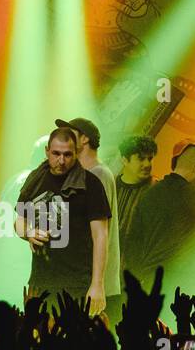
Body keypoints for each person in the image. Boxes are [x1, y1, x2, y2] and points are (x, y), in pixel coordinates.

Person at [15, 125, 111, 316]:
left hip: (76, 284)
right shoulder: (36, 179)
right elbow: (19, 220)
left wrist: (97, 285)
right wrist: (28, 233)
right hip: (40, 281)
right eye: (56, 154)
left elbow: (101, 236)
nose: (61, 161)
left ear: (76, 153)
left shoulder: (90, 184)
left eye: (67, 155)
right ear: (47, 151)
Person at [123, 139, 195, 297]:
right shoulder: (192, 196)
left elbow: (133, 242)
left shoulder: (149, 194)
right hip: (183, 286)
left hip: (151, 284)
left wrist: (139, 279)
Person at [57, 117, 123, 324]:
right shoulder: (85, 175)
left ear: (84, 139)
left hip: (93, 287)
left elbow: (97, 234)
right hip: (82, 281)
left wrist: (97, 283)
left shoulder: (99, 175)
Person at [115, 135, 156, 267]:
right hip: (105, 268)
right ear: (124, 160)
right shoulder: (109, 185)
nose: (147, 164)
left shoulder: (156, 190)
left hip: (137, 273)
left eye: (150, 159)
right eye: (141, 158)